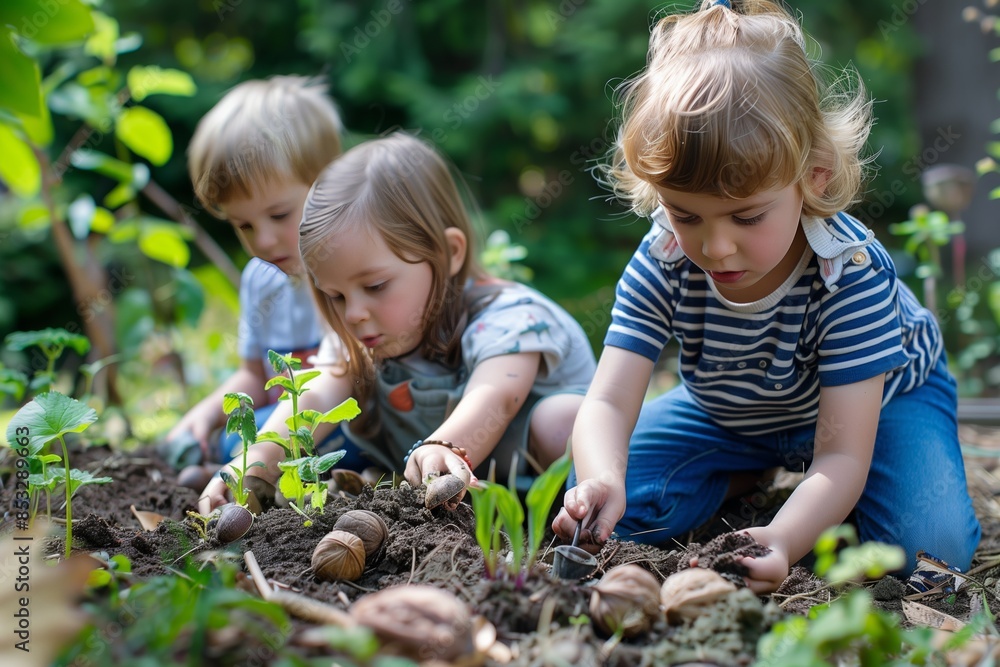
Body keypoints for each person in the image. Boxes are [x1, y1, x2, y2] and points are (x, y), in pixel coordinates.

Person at [552, 0, 980, 593]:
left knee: (928, 555)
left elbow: (842, 458)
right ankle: (747, 472)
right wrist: (601, 474)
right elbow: (607, 403)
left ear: (813, 178)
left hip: (876, 410)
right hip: (732, 409)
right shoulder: (665, 258)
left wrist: (781, 540)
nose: (717, 246)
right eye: (685, 214)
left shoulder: (849, 274)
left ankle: (822, 504)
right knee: (626, 509)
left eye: (746, 216)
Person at [197, 132, 597, 514]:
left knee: (561, 420)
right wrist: (254, 465)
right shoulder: (366, 337)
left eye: (375, 285)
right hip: (461, 500)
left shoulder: (506, 318)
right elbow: (315, 396)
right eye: (335, 295)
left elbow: (496, 394)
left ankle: (583, 517)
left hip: (543, 484)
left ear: (449, 253)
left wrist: (446, 444)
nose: (352, 313)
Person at [164, 76, 348, 469]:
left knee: (246, 442)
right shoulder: (261, 280)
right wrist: (209, 411)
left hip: (345, 422)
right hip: (282, 429)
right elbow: (253, 376)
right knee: (226, 434)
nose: (263, 241)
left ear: (331, 184)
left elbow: (351, 380)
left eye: (279, 215)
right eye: (243, 225)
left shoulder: (352, 271)